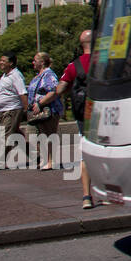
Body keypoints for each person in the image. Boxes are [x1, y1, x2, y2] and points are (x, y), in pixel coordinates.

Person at [49, 30, 95, 208]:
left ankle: (86, 197)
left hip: (85, 113)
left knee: (86, 154)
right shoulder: (106, 60)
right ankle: (109, 194)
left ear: (80, 43)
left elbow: (60, 89)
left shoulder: (74, 65)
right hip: (107, 111)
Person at [25, 51, 61, 169]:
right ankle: (46, 159)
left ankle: (51, 161)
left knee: (49, 135)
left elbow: (53, 91)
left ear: (42, 62)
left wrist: (40, 103)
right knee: (40, 136)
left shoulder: (48, 74)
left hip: (49, 110)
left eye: (35, 60)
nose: (33, 62)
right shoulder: (38, 76)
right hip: (38, 111)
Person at [0, 52, 26, 167]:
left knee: (7, 136)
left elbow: (22, 93)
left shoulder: (16, 75)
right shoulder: (5, 75)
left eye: (3, 61)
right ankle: (37, 156)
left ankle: (1, 162)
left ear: (10, 63)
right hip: (3, 111)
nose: (0, 62)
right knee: (17, 136)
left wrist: (27, 110)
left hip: (12, 110)